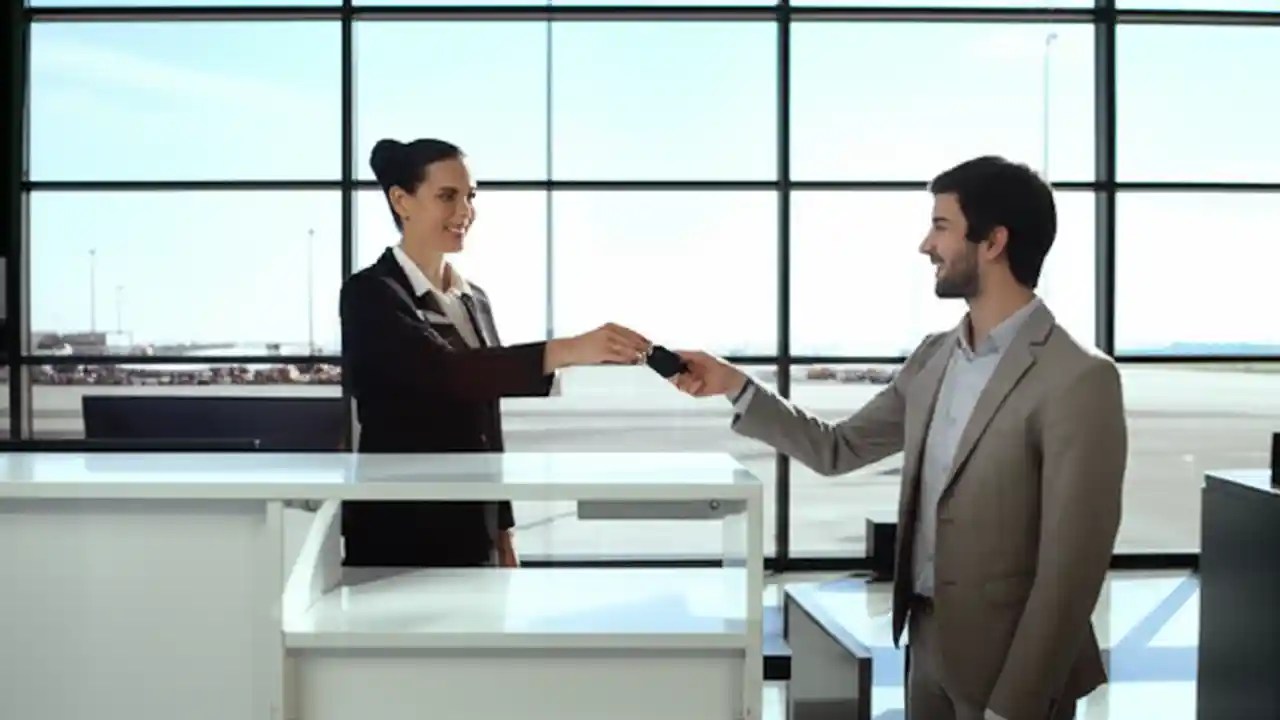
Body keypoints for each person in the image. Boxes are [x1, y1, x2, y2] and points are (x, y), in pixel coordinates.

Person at [673, 156, 1127, 720]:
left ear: (993, 242)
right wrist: (736, 386)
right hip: (928, 650)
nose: (925, 245)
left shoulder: (1079, 377)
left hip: (1014, 667)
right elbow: (836, 448)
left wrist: (1017, 703)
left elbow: (1072, 568)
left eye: (941, 226)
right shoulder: (934, 357)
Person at [340, 137, 651, 569]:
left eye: (470, 196)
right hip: (401, 530)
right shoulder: (370, 294)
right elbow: (447, 374)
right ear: (401, 201)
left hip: (472, 528)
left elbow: (486, 418)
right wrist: (569, 349)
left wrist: (503, 526)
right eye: (447, 196)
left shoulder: (474, 300)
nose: (465, 211)